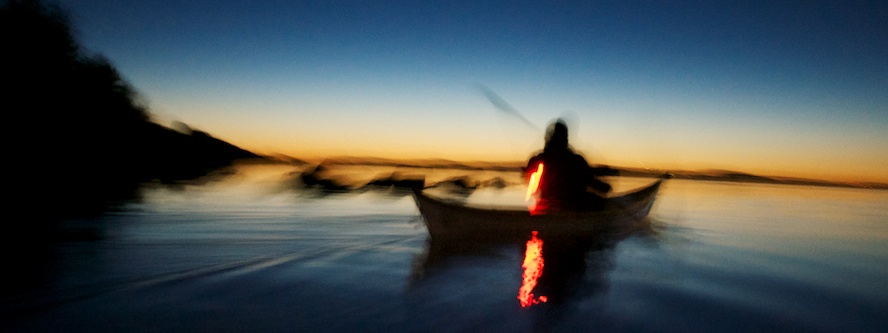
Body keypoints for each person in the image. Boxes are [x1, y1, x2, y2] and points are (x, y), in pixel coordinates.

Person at [525, 119, 613, 211]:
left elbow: (528, 178)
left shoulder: (538, 160)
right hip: (572, 206)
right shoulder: (576, 161)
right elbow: (591, 182)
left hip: (547, 206)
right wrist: (605, 187)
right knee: (601, 203)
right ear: (565, 138)